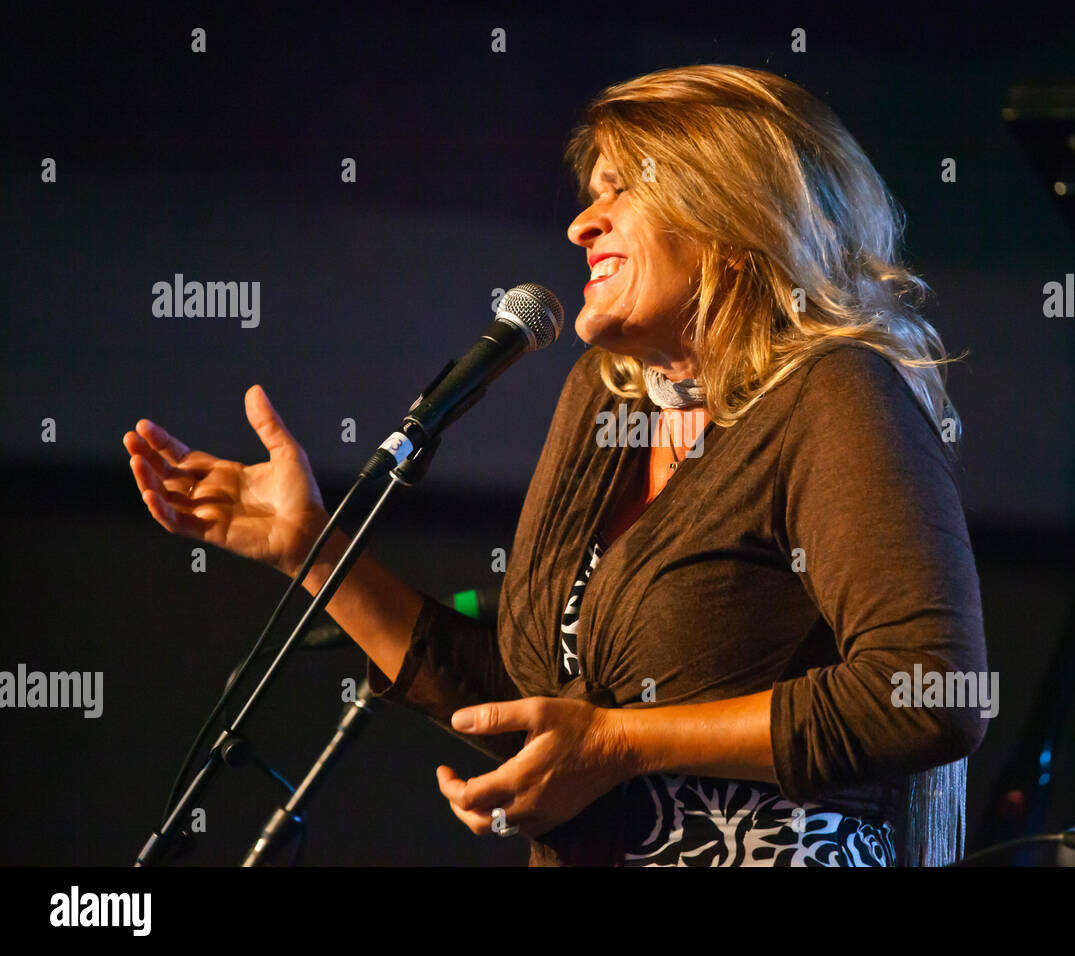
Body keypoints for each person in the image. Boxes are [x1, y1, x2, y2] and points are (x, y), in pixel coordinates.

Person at [124, 64, 988, 867]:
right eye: (588, 196)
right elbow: (545, 708)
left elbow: (928, 694)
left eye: (624, 190)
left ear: (735, 214)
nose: (581, 224)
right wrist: (312, 549)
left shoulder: (836, 394)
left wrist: (619, 742)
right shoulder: (604, 401)